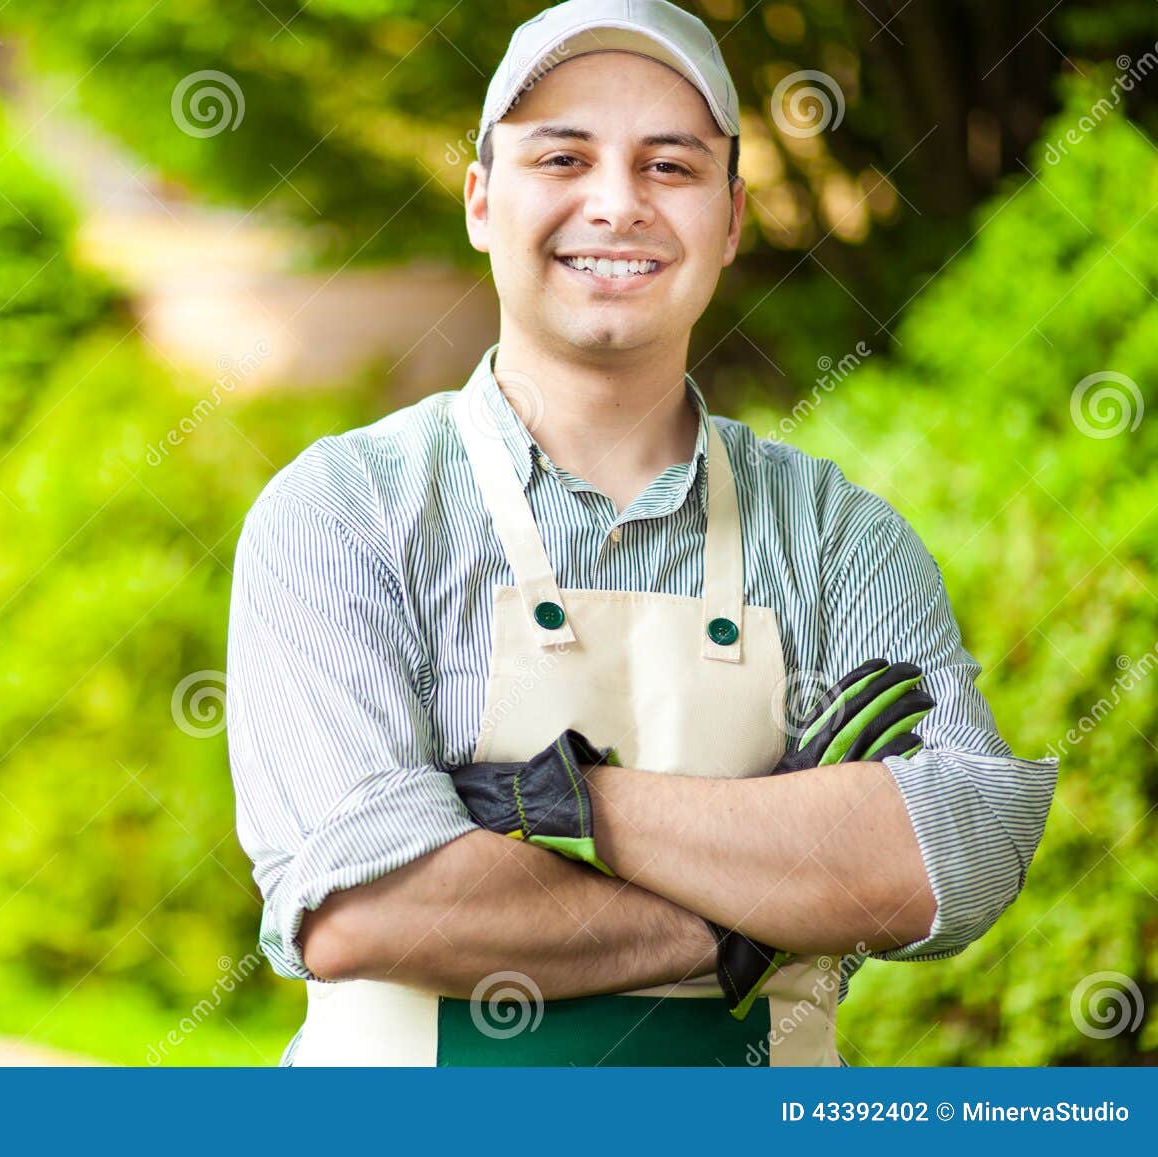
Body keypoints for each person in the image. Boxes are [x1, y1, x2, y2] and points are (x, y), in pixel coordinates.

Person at [225, 0, 1057, 1066]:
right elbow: (371, 906)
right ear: (481, 201)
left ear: (731, 218)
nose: (615, 205)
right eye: (562, 158)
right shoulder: (344, 511)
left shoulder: (835, 536)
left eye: (669, 167)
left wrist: (572, 804)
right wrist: (750, 910)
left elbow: (960, 851)